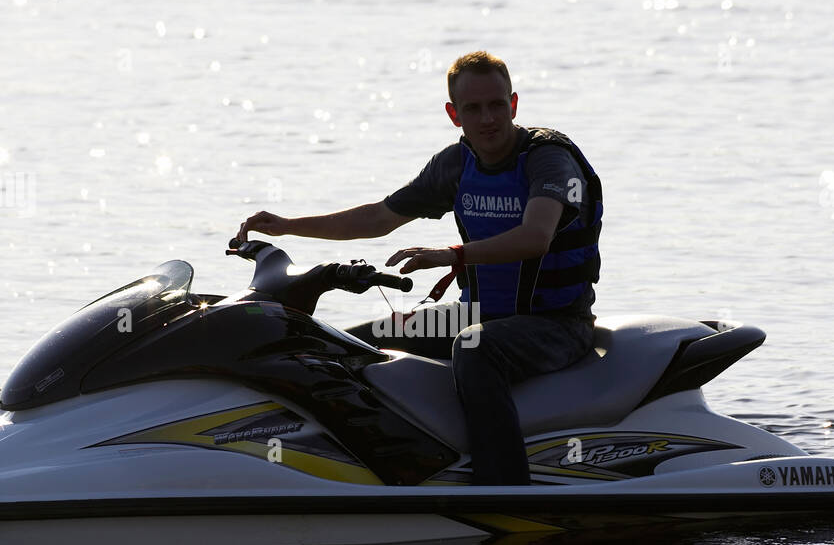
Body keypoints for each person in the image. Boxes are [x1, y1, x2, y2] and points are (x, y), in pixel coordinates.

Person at [236, 50, 603, 485]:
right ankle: (356, 469)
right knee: (344, 345)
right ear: (454, 114)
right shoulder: (457, 164)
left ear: (514, 104)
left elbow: (535, 237)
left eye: (496, 105)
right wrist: (289, 227)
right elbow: (378, 218)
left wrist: (454, 255)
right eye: (473, 108)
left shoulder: (549, 160)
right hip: (478, 316)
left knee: (474, 348)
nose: (487, 119)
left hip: (557, 325)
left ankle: (502, 486)